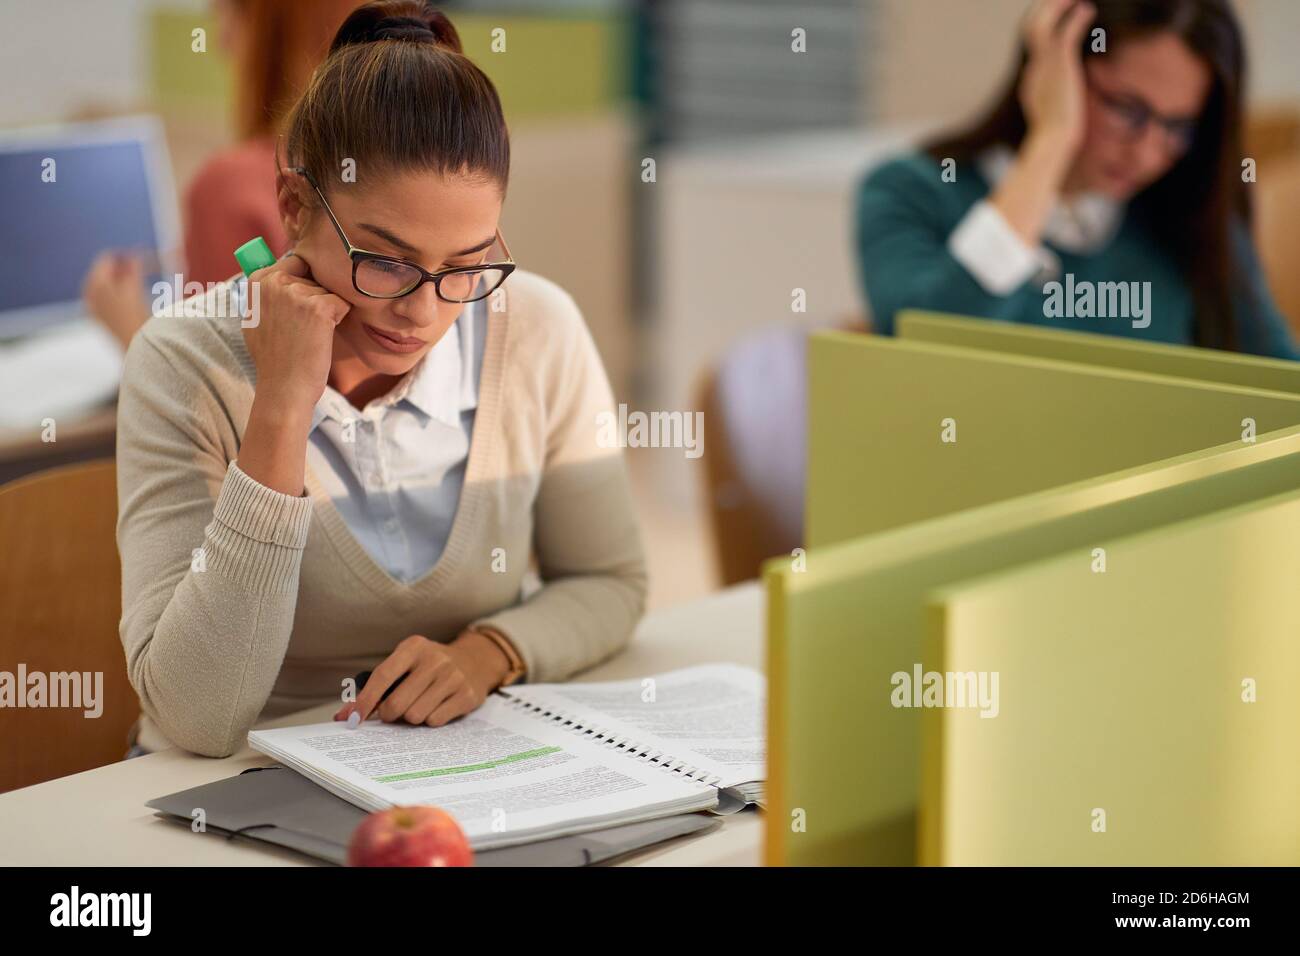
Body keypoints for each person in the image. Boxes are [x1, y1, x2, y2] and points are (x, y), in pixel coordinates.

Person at [116, 0, 647, 758]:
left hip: (443, 772)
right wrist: (281, 409)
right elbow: (199, 718)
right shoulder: (180, 363)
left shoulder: (537, 327)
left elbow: (610, 581)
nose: (424, 313)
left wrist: (489, 654)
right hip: (227, 786)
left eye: (466, 265)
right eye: (387, 261)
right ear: (294, 206)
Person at [855, 0, 1300, 359]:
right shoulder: (910, 190)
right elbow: (929, 351)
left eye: (1178, 127)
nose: (1146, 153)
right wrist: (1052, 139)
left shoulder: (1189, 217)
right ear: (1055, 71)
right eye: (1126, 109)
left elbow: (1285, 393)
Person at [83, 0, 360, 348]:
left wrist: (130, 329)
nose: (221, 42)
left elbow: (205, 389)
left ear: (275, 30)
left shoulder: (229, 184)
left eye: (229, 17)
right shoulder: (385, 165)